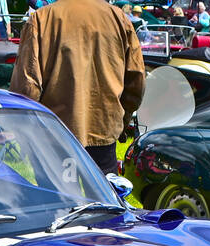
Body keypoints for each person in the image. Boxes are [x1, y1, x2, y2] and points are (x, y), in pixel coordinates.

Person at [9, 0, 145, 174]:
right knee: (104, 198)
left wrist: (25, 130)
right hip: (102, 129)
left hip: (55, 133)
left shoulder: (42, 19)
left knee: (59, 199)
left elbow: (27, 87)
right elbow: (136, 81)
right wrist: (120, 121)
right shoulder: (118, 18)